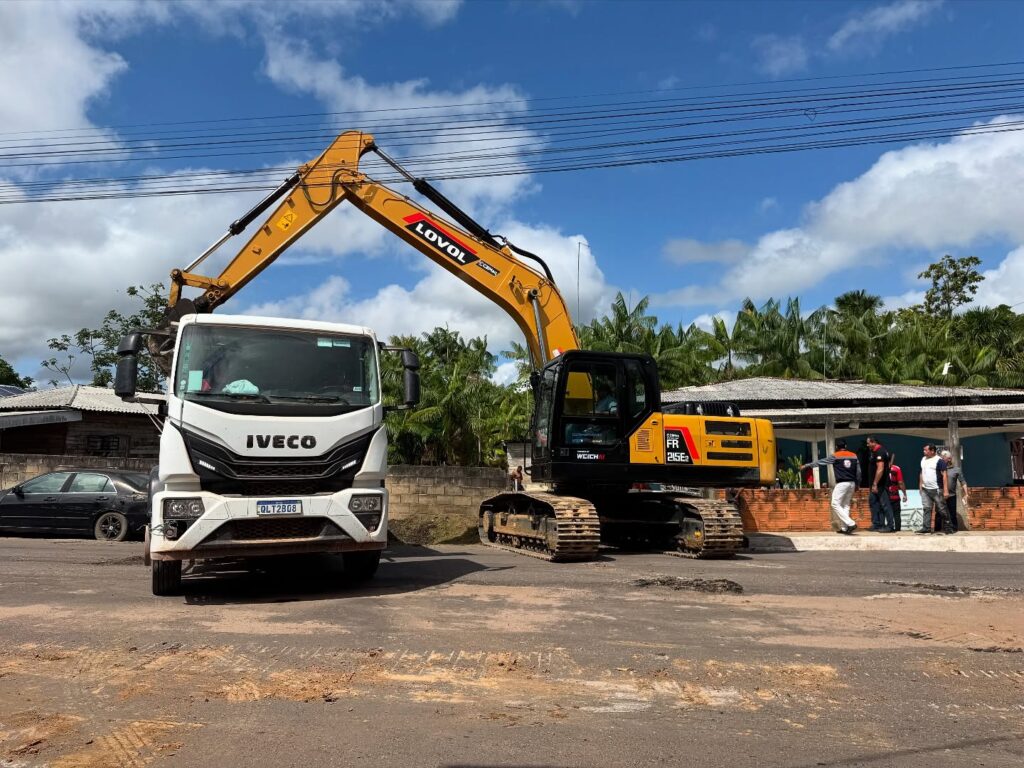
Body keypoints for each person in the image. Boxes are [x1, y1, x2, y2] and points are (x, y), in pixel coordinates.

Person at [801, 439, 860, 535]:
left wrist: (807, 465)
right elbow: (859, 471)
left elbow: (821, 462)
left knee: (835, 503)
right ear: (846, 446)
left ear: (837, 447)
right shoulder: (854, 455)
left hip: (842, 483)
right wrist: (858, 483)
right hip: (852, 483)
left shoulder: (835, 456)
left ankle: (851, 523)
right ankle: (845, 528)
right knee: (845, 505)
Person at [918, 444, 952, 534]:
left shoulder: (939, 461)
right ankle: (926, 527)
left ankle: (948, 527)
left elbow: (944, 475)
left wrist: (945, 490)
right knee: (926, 508)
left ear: (932, 451)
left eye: (926, 450)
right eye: (924, 450)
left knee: (942, 509)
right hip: (925, 489)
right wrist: (920, 485)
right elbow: (921, 473)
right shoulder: (923, 459)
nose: (924, 451)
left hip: (937, 489)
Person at [865, 436, 896, 532]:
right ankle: (877, 524)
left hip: (881, 484)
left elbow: (880, 468)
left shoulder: (880, 452)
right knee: (873, 503)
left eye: (868, 443)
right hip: (875, 484)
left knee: (885, 504)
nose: (867, 445)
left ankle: (890, 526)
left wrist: (875, 483)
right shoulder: (874, 452)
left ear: (873, 442)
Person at [940, 450, 968, 533]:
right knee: (940, 513)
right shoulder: (939, 469)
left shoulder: (956, 470)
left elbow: (963, 481)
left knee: (952, 513)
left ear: (949, 459)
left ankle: (954, 529)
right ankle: (940, 529)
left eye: (943, 458)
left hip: (951, 495)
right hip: (940, 495)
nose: (941, 460)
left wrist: (966, 494)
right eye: (941, 458)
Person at [888, 455, 908, 532]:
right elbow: (900, 482)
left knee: (887, 512)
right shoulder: (896, 468)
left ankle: (889, 527)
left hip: (886, 496)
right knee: (896, 514)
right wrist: (905, 494)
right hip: (895, 495)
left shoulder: (880, 468)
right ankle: (897, 529)